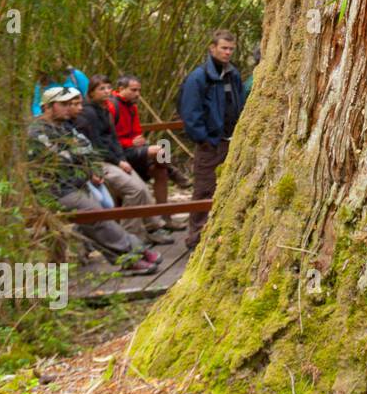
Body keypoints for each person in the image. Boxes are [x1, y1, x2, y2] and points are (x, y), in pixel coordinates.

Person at [28, 87, 158, 273]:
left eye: (70, 104)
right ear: (48, 107)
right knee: (94, 215)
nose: (68, 108)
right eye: (63, 104)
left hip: (75, 184)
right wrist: (77, 159)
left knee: (101, 212)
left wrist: (88, 167)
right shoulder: (37, 132)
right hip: (55, 190)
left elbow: (86, 148)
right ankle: (130, 254)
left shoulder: (64, 126)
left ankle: (132, 251)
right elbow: (62, 161)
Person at [73, 75, 173, 244]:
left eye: (107, 88)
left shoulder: (106, 109)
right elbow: (98, 144)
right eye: (101, 89)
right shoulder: (90, 112)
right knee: (136, 187)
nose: (106, 92)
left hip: (119, 157)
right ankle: (130, 237)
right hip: (101, 160)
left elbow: (114, 138)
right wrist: (119, 160)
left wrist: (122, 159)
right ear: (91, 92)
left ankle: (152, 227)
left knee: (143, 186)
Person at [179, 30, 246, 249]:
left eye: (230, 49)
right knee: (204, 188)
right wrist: (204, 139)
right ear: (212, 48)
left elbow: (239, 104)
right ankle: (196, 237)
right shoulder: (199, 78)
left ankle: (222, 233)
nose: (227, 52)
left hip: (231, 142)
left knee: (230, 186)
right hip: (210, 145)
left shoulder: (232, 74)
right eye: (223, 48)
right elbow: (190, 112)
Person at [109, 75, 190, 188]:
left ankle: (164, 203)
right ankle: (173, 171)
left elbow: (137, 131)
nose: (137, 94)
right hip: (120, 151)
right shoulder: (111, 106)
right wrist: (130, 143)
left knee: (161, 172)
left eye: (139, 90)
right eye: (133, 90)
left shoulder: (132, 107)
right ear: (121, 89)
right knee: (159, 150)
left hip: (132, 148)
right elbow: (108, 137)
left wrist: (139, 140)